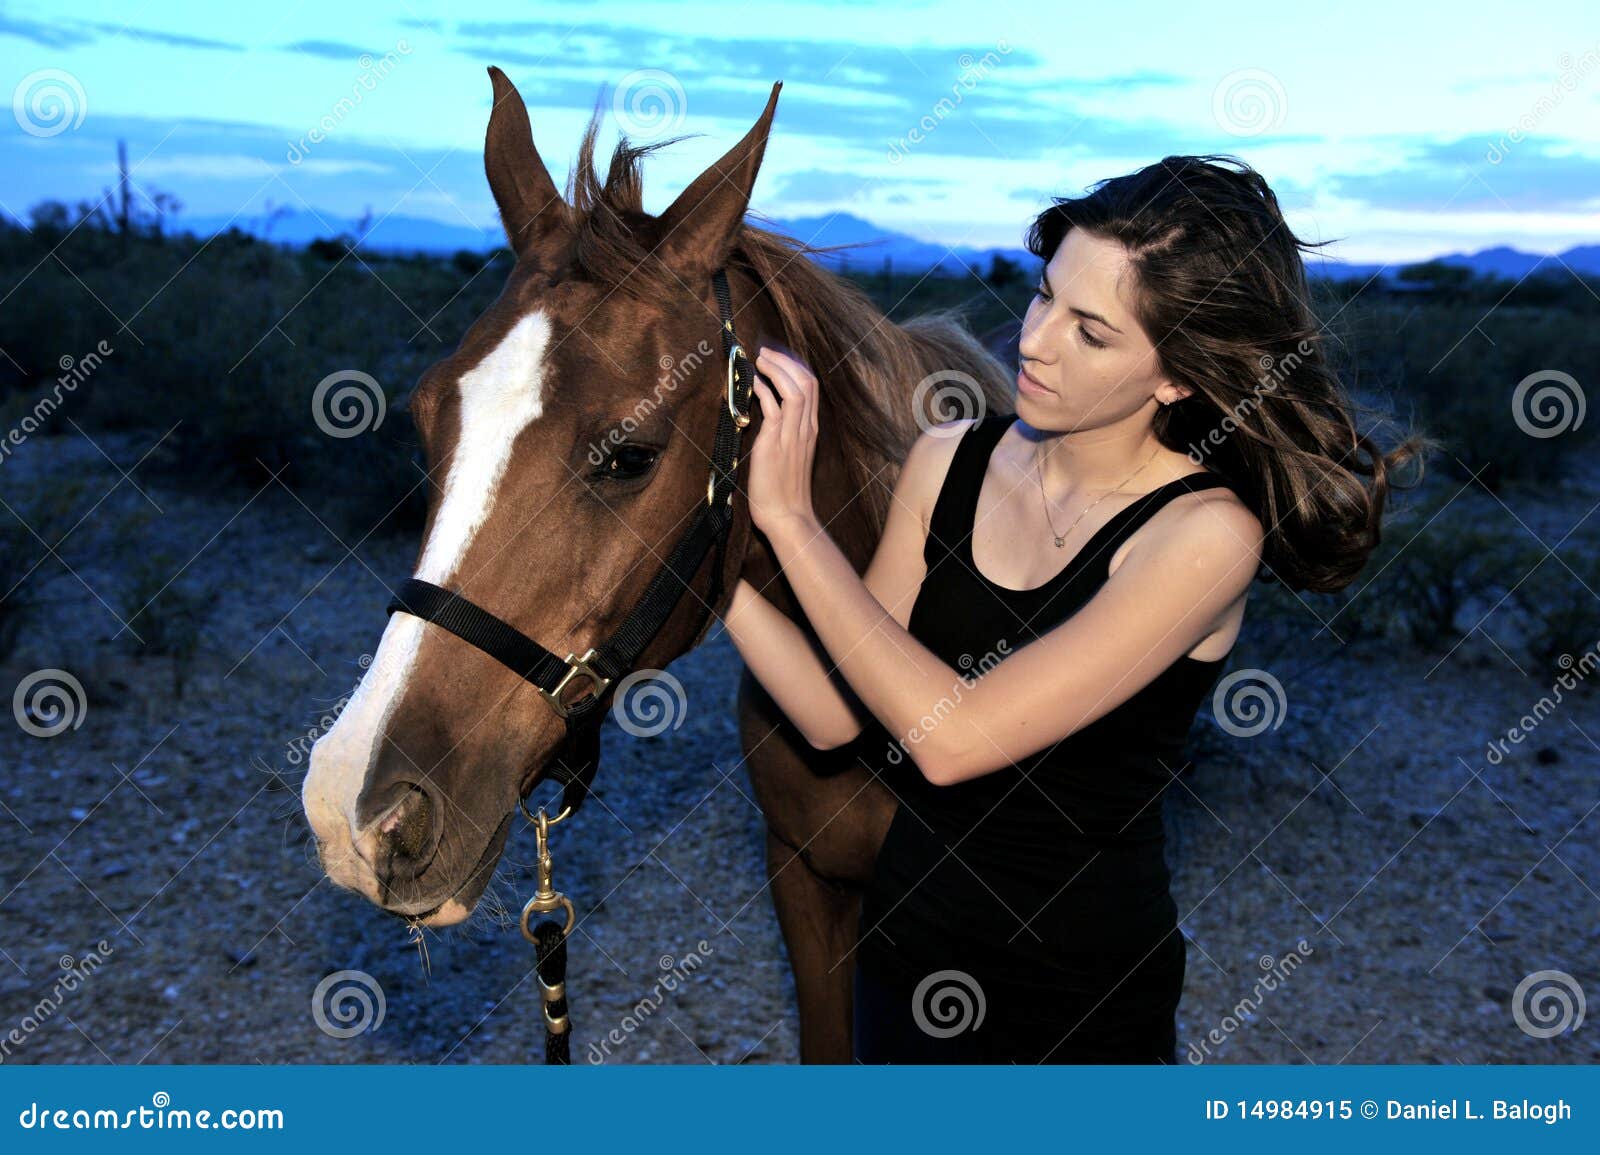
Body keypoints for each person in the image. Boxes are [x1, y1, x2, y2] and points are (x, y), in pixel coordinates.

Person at [724, 155, 1427, 1063]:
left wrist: (789, 520)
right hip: (904, 959)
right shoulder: (947, 460)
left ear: (1176, 377)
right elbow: (832, 718)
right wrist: (718, 566)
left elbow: (952, 737)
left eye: (1090, 333)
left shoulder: (1201, 535)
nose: (1036, 341)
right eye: (1043, 295)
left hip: (1074, 1003)